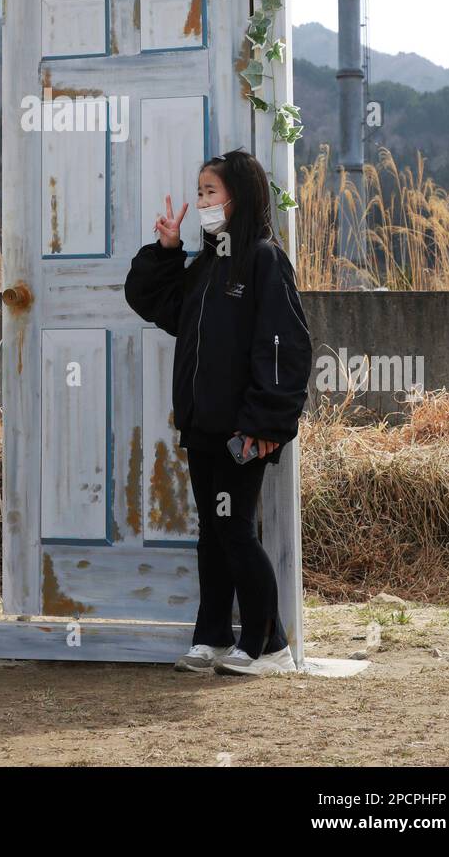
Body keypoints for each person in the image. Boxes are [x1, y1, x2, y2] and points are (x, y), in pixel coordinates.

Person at [124, 148, 313, 677]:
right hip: (203, 425)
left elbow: (285, 348)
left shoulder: (262, 259)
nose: (202, 201)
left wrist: (264, 422)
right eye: (200, 191)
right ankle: (211, 636)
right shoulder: (207, 265)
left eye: (211, 192)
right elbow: (152, 302)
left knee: (233, 530)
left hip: (240, 431)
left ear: (240, 196)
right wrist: (165, 250)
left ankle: (268, 645)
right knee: (213, 528)